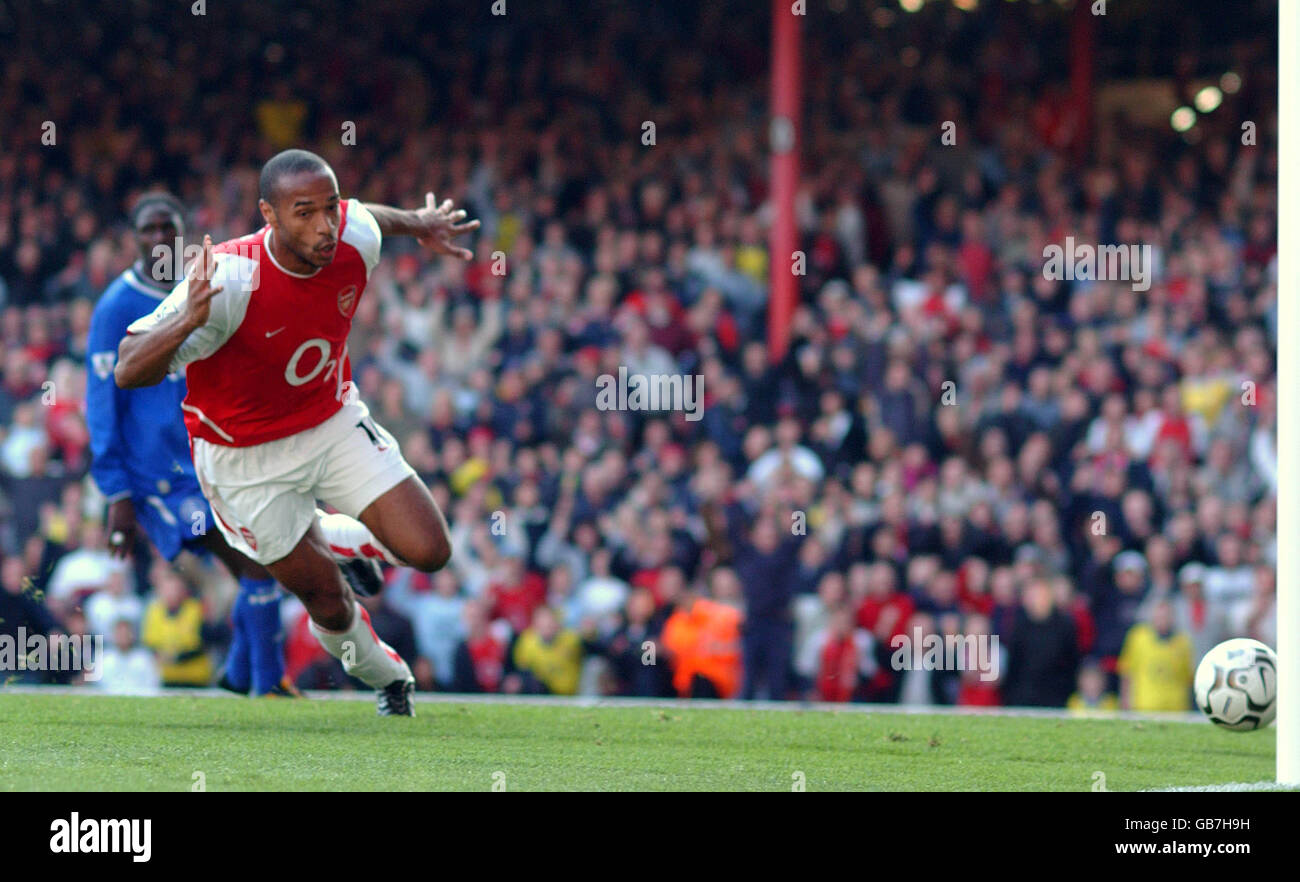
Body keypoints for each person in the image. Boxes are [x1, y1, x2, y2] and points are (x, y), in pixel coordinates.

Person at [114, 150, 477, 715]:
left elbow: (374, 218)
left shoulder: (352, 236)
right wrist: (187, 319)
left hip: (329, 422)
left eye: (329, 208)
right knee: (327, 600)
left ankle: (336, 536)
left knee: (430, 550)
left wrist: (419, 223)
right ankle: (387, 676)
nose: (324, 226)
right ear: (269, 215)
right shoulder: (231, 278)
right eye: (304, 213)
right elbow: (128, 367)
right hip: (243, 459)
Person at [86, 193, 383, 697]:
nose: (159, 236)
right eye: (148, 228)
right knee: (258, 561)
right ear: (133, 238)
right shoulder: (117, 306)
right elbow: (102, 400)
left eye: (167, 226)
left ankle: (243, 675)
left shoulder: (205, 283)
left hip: (212, 456)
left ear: (183, 229)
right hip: (160, 476)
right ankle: (266, 683)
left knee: (261, 562)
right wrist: (116, 493)